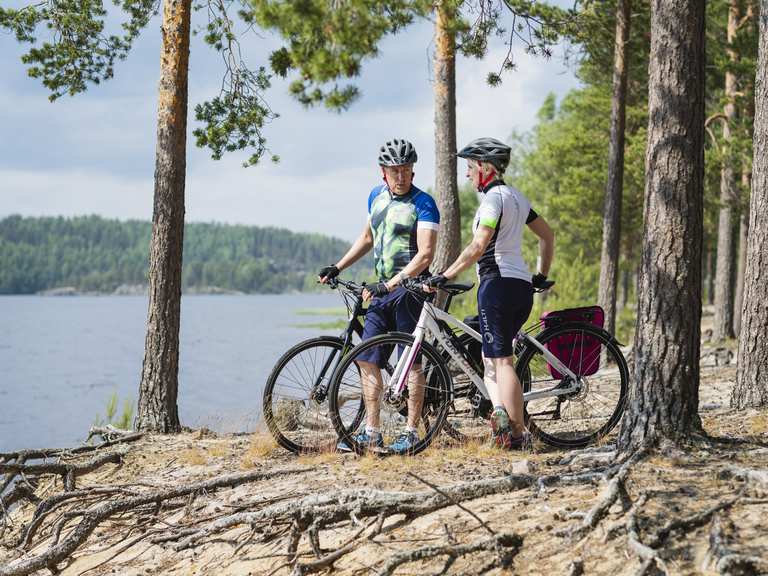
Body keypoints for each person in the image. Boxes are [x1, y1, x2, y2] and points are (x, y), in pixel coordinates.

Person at [425, 137, 554, 450]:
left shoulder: (493, 201)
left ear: (485, 168)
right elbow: (547, 236)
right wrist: (540, 275)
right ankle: (501, 420)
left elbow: (478, 245)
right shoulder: (518, 197)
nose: (468, 174)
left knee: (503, 361)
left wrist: (445, 275)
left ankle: (518, 436)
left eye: (471, 167)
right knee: (490, 358)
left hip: (497, 285)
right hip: (521, 286)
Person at [318, 138, 440, 452]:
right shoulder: (376, 196)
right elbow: (367, 237)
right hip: (382, 290)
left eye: (406, 169)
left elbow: (425, 254)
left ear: (413, 171)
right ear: (383, 172)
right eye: (394, 170)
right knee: (366, 358)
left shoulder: (423, 203)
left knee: (410, 363)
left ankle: (411, 431)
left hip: (411, 290)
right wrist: (338, 266)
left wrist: (393, 283)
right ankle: (372, 430)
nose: (401, 175)